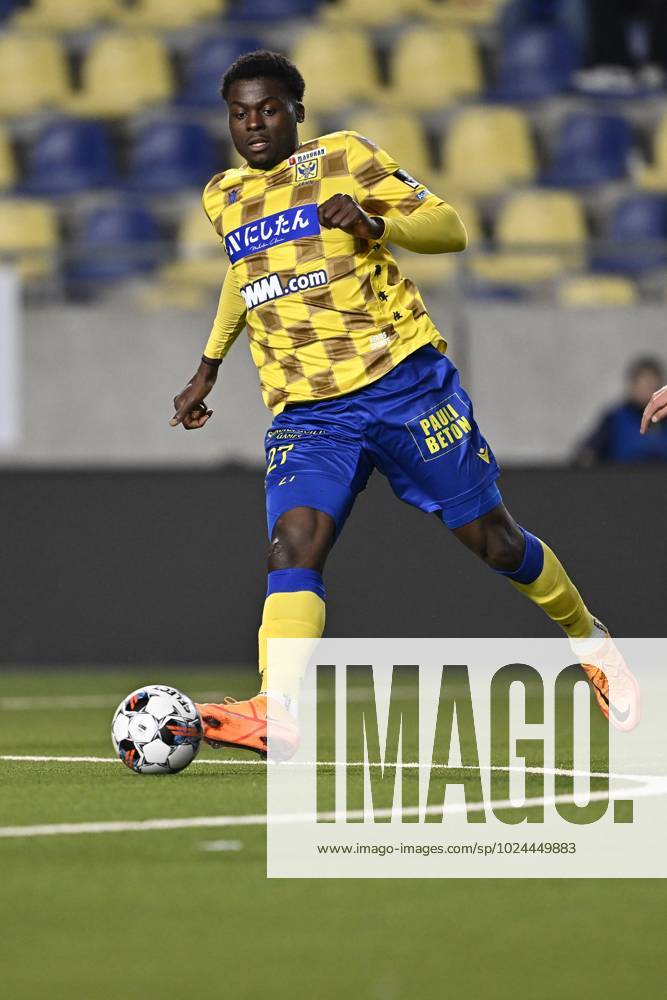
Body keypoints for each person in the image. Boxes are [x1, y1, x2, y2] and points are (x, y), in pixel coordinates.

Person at [170, 50, 638, 754]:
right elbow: (244, 273)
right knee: (293, 542)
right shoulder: (222, 195)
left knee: (495, 541)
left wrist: (373, 223)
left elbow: (448, 227)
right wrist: (210, 363)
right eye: (239, 113)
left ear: (297, 110)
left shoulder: (345, 157)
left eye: (268, 109)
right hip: (309, 410)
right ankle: (277, 707)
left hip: (403, 387)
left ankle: (588, 640)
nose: (254, 124)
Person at [575, 357, 667, 465]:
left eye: (654, 387)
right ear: (632, 385)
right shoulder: (615, 419)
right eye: (645, 385)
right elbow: (588, 452)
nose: (650, 392)